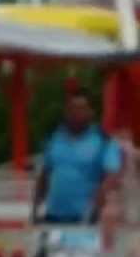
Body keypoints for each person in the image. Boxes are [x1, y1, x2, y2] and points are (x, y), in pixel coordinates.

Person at [34, 90, 123, 225]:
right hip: (53, 217)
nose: (76, 113)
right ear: (66, 112)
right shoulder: (54, 138)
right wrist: (35, 210)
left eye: (81, 108)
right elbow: (44, 175)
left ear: (90, 112)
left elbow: (112, 176)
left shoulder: (104, 141)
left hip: (86, 219)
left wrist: (100, 197)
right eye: (72, 108)